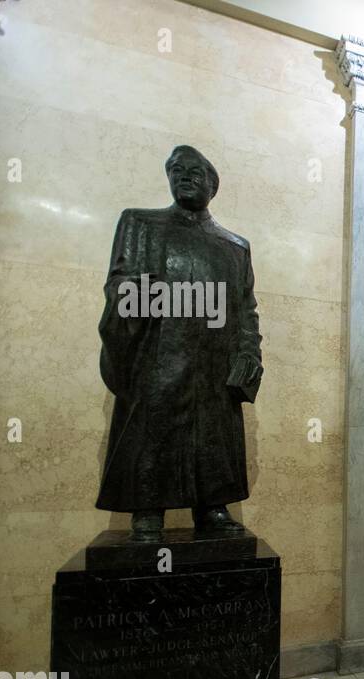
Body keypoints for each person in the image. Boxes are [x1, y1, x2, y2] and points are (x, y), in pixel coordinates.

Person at [96, 145, 263, 542]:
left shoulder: (235, 246)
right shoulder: (140, 224)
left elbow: (245, 310)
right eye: (177, 170)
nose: (185, 176)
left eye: (195, 171)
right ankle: (147, 510)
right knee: (152, 431)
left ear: (212, 185)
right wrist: (136, 291)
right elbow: (119, 282)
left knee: (214, 435)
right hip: (160, 354)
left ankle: (212, 506)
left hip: (215, 364)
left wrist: (248, 353)